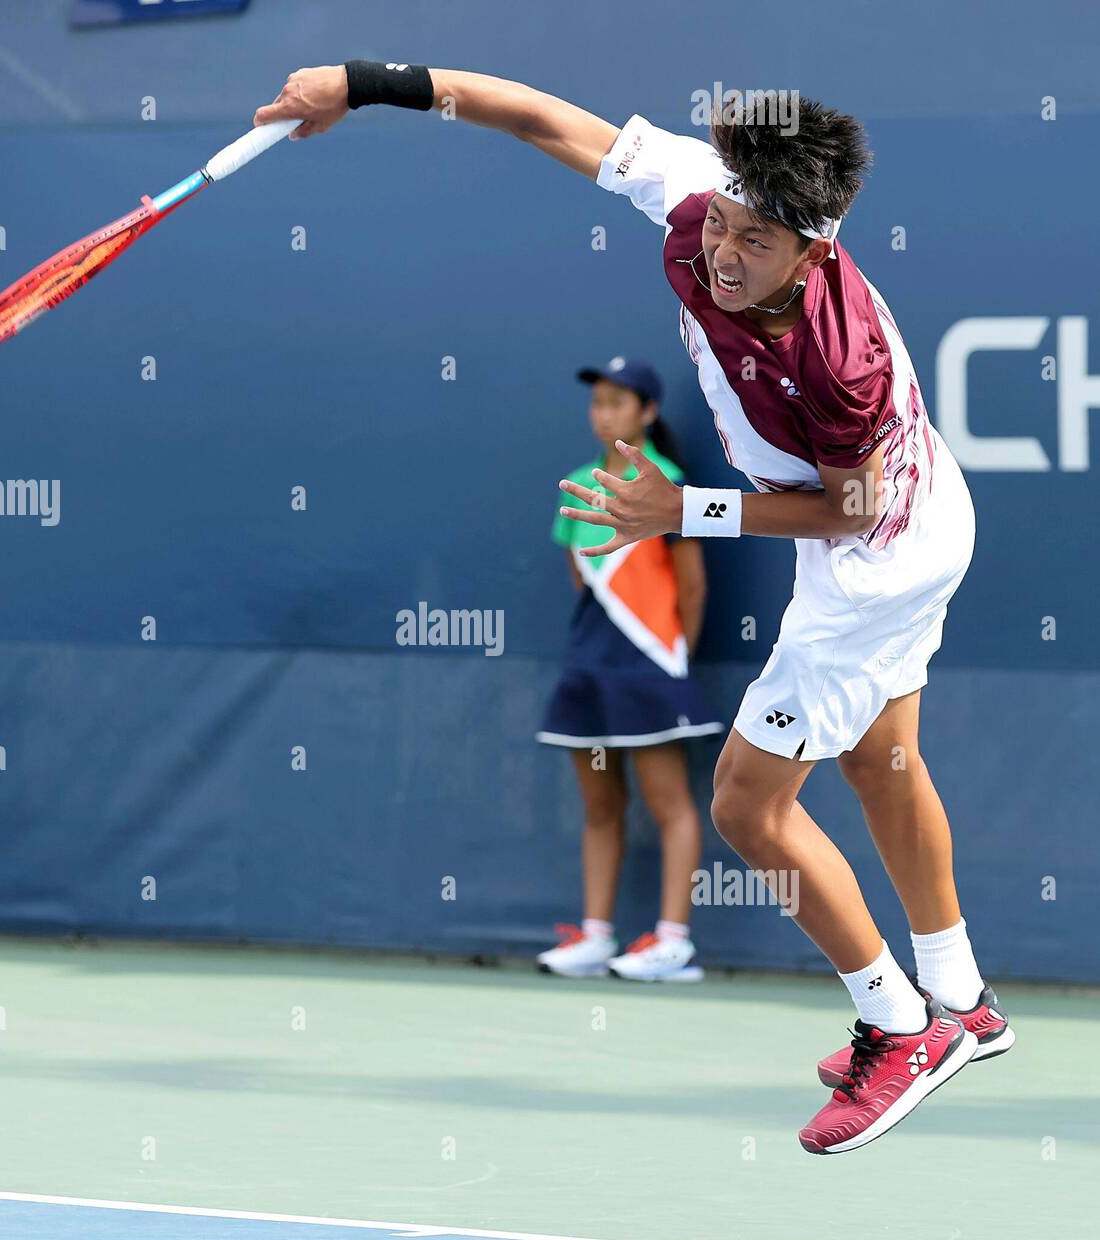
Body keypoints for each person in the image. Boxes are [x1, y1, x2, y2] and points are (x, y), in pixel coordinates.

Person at [254, 63, 1013, 1155]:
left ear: (817, 251)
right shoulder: (700, 194)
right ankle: (963, 1003)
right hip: (930, 516)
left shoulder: (836, 357)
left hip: (878, 552)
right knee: (882, 760)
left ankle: (899, 1028)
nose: (724, 251)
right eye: (728, 225)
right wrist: (364, 85)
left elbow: (849, 508)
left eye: (758, 242)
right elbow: (539, 117)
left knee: (747, 806)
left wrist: (683, 508)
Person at [536, 357, 722, 982]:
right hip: (589, 666)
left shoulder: (670, 485)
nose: (605, 412)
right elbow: (578, 577)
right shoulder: (578, 483)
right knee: (599, 804)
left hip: (650, 668)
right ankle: (594, 935)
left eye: (619, 402)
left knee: (669, 802)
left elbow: (691, 586)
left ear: (647, 413)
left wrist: (671, 659)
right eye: (598, 402)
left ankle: (674, 943)